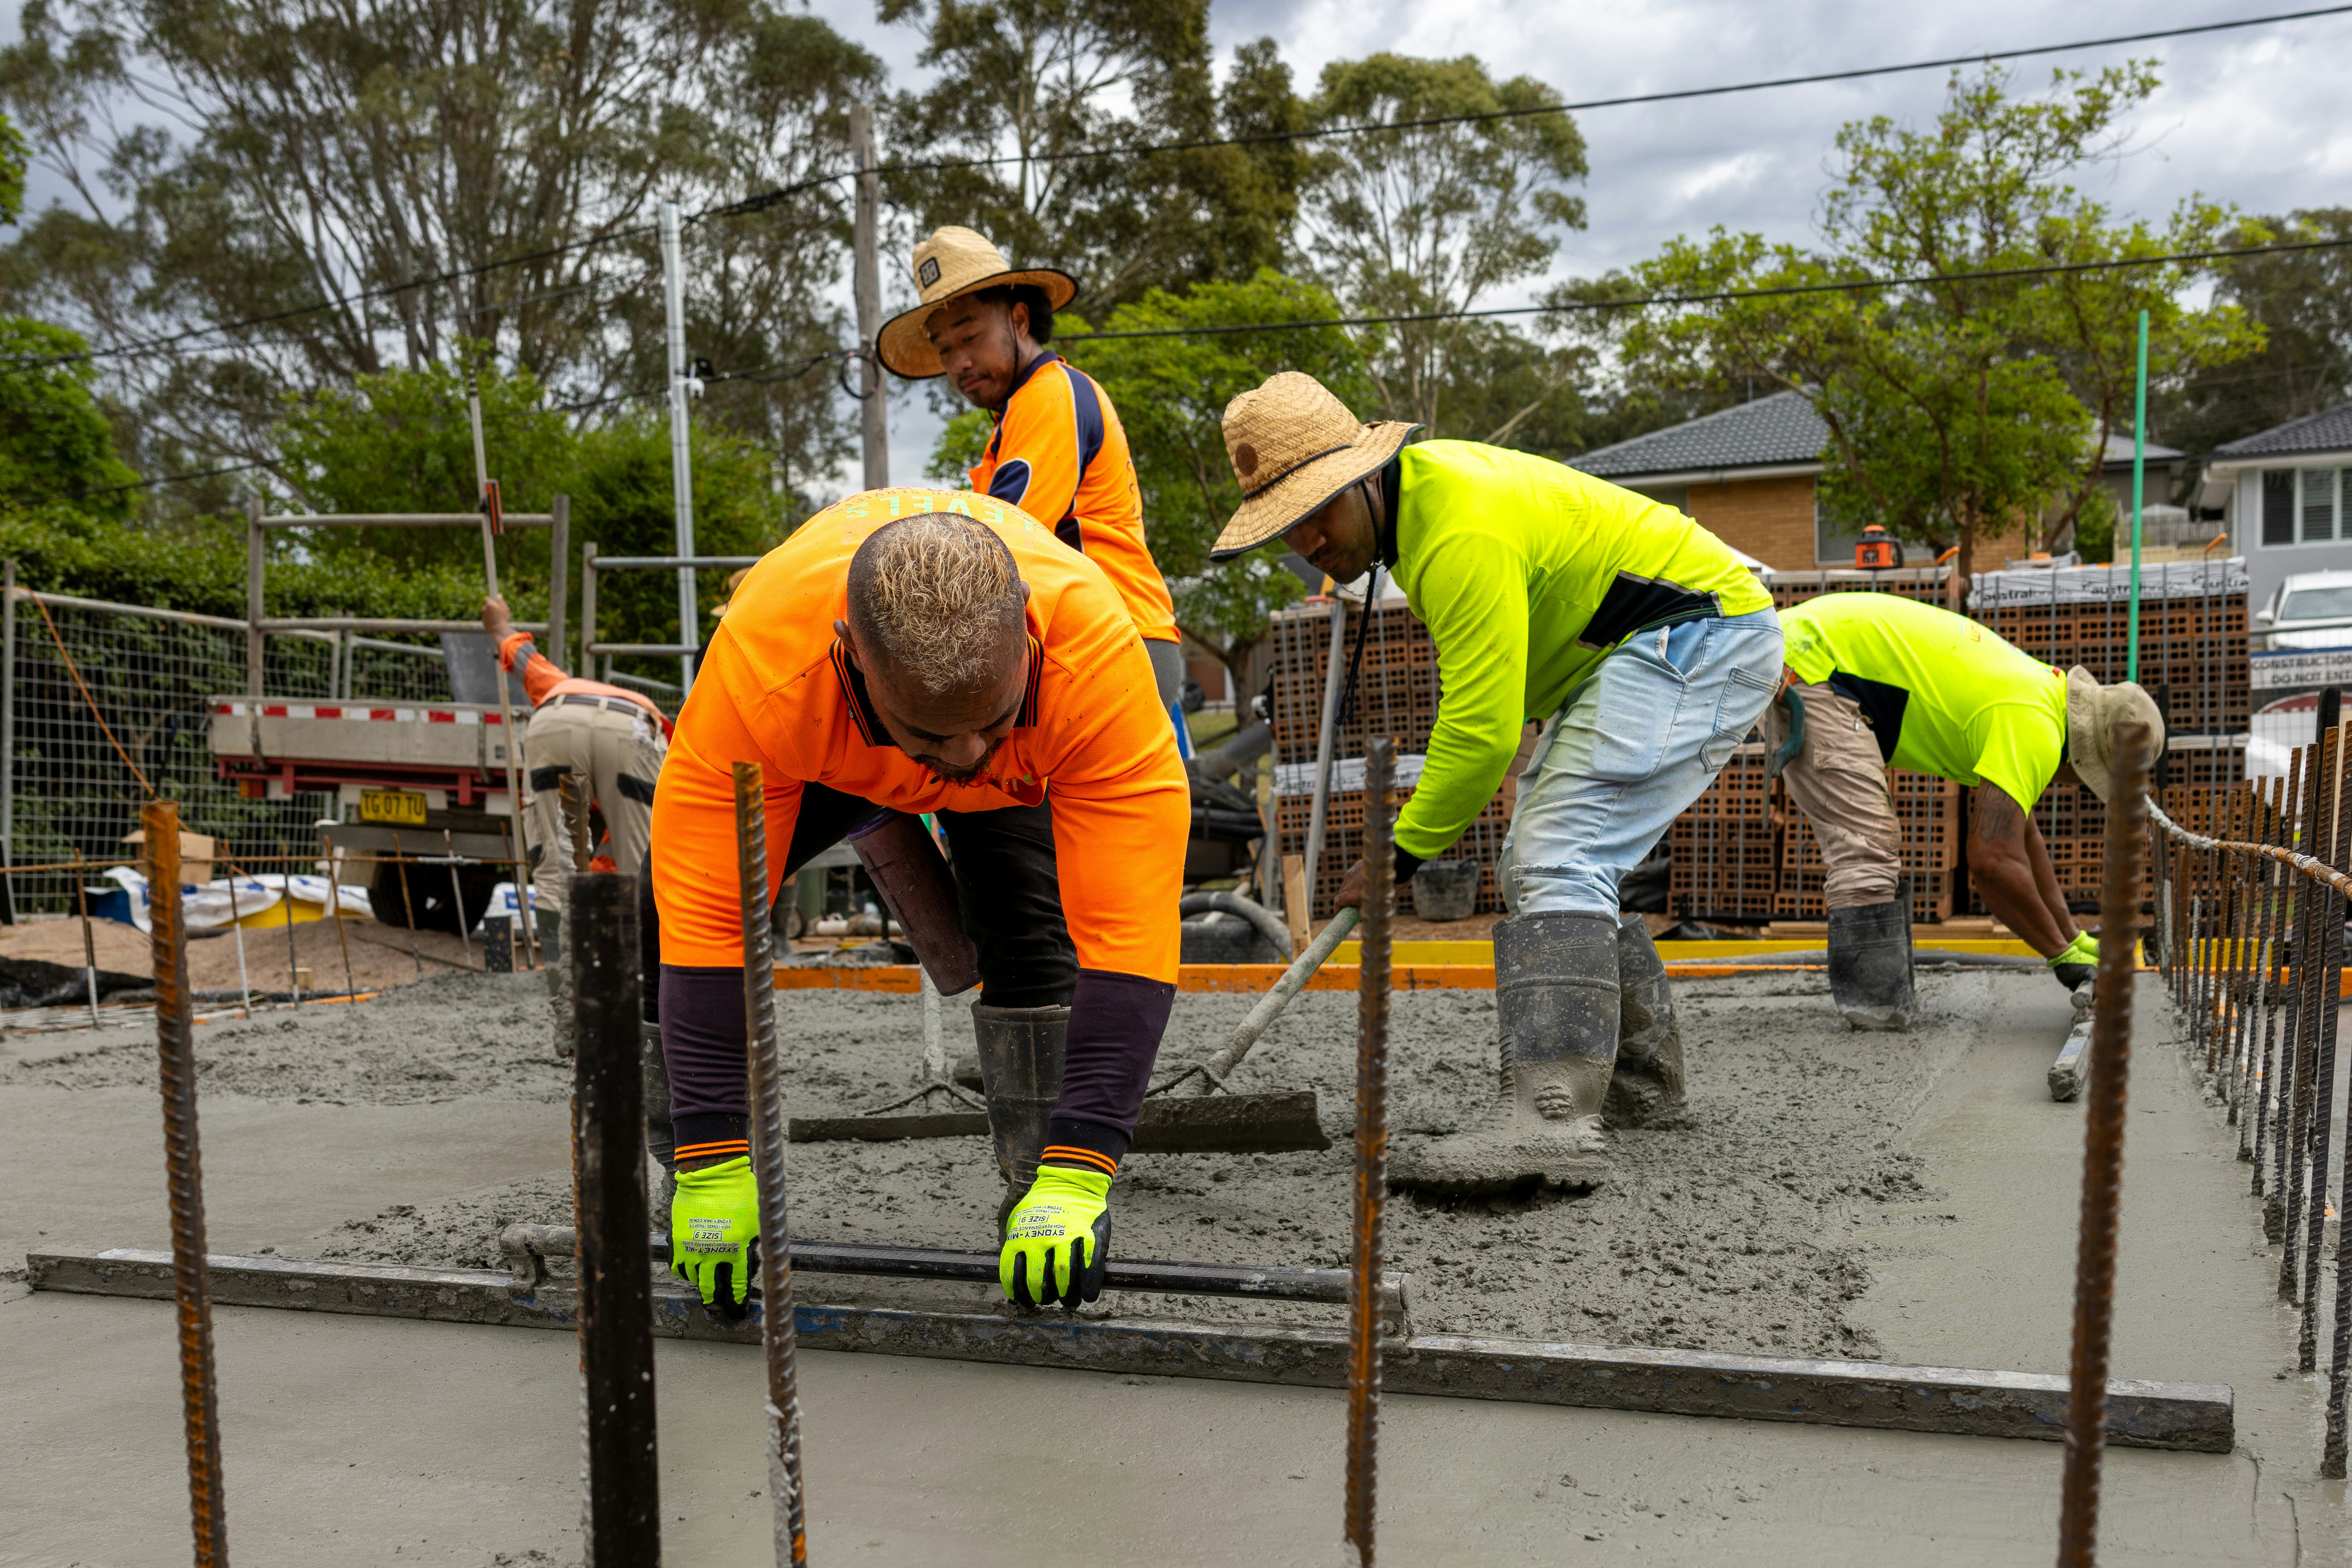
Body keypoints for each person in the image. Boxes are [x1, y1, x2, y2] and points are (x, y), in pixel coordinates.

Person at [1210, 373, 1783, 1195]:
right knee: (1547, 862)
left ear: (1368, 474)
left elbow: (1482, 733)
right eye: (1285, 524)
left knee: (1558, 851)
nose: (1306, 539)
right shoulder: (1430, 511)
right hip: (1651, 646)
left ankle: (1550, 1123)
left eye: (1318, 510)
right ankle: (1638, 1089)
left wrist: (1395, 855)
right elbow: (1490, 716)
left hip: (1700, 635)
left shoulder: (1456, 530)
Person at [649, 492, 1187, 1315]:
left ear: (1030, 645)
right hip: (826, 757)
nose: (964, 761)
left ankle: (1041, 1205)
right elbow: (711, 926)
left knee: (1033, 944)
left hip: (1023, 757)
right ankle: (697, 1193)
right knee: (645, 921)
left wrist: (1081, 1170)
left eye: (991, 721)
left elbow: (1128, 939)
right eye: (936, 740)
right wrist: (714, 1155)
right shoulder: (765, 670)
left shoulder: (1094, 658)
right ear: (849, 659)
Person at [1763, 592, 2164, 1029]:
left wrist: (2072, 937)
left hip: (1811, 651)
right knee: (1867, 848)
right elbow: (1992, 862)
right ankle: (1873, 1012)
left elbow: (2022, 836)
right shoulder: (2035, 728)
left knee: (1872, 844)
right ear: (2085, 762)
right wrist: (2059, 955)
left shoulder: (2041, 695)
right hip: (1809, 666)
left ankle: (1877, 1004)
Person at [875, 225, 1184, 713]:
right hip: (1100, 640)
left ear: (1018, 320)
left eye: (970, 336)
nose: (959, 362)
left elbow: (1000, 542)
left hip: (1110, 641)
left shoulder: (1047, 396)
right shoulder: (1016, 415)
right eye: (945, 349)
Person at [480, 594, 670, 1056]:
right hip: (635, 731)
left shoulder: (560, 683)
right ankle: (640, 1013)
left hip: (555, 720)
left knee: (553, 871)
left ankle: (569, 1023)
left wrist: (498, 624)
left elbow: (520, 652)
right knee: (642, 872)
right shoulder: (669, 735)